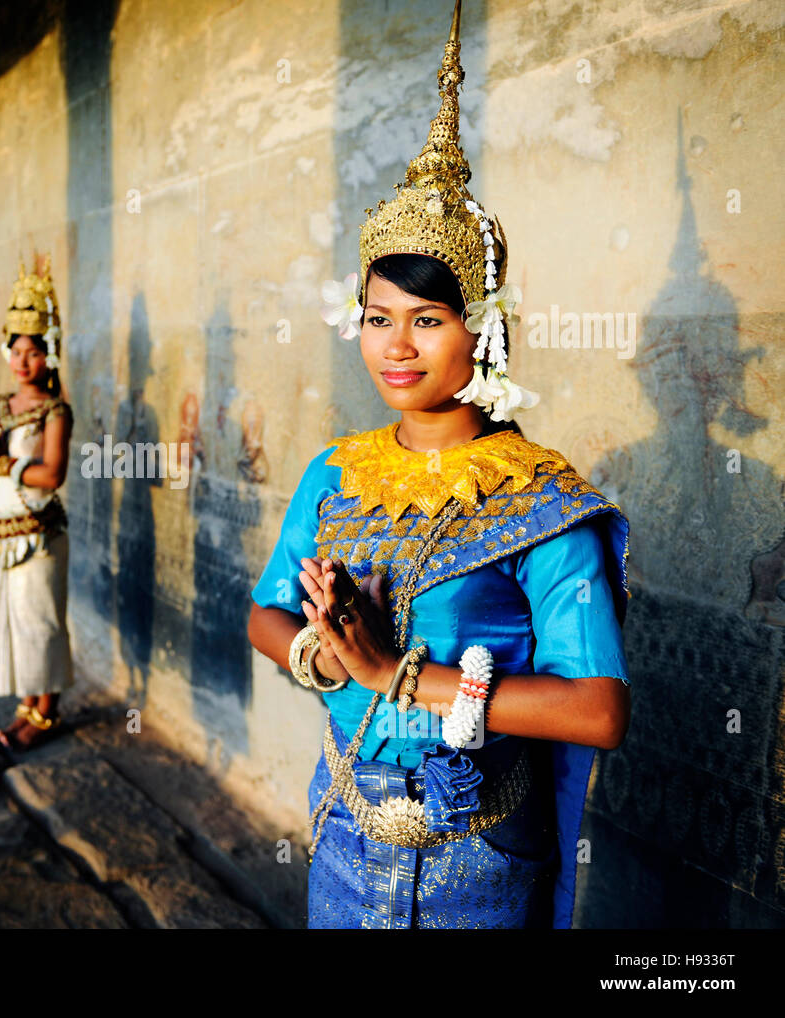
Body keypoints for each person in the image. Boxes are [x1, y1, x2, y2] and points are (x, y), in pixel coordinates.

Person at [246, 1, 631, 929]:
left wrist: (392, 674)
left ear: (483, 330)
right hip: (344, 834)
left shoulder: (538, 496)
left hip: (479, 862)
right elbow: (261, 616)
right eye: (379, 318)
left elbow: (597, 712)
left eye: (429, 319)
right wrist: (323, 647)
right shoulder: (336, 472)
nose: (397, 347)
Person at [0, 257, 75, 752]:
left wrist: (0, 463)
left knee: (41, 623)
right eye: (16, 350)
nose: (22, 361)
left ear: (49, 356)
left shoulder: (56, 410)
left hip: (40, 536)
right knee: (11, 621)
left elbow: (51, 476)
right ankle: (26, 707)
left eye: (33, 352)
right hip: (1, 536)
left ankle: (46, 715)